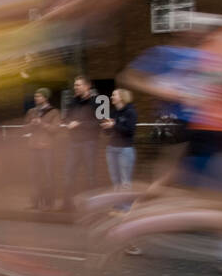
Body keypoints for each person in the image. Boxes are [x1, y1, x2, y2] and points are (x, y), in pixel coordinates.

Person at [61, 75, 99, 211]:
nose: (75, 87)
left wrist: (79, 124)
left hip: (89, 143)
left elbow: (99, 123)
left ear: (87, 86)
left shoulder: (97, 102)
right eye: (75, 85)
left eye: (78, 85)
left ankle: (92, 206)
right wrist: (68, 123)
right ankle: (67, 205)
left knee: (90, 174)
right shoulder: (73, 102)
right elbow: (65, 118)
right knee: (68, 173)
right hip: (74, 143)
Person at [24, 89, 60, 209]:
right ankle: (35, 202)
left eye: (39, 96)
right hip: (33, 147)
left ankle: (49, 203)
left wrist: (42, 124)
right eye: (35, 96)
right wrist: (32, 124)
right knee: (34, 176)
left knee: (48, 176)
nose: (36, 98)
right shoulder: (31, 111)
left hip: (46, 148)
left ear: (45, 98)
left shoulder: (54, 112)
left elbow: (55, 129)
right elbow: (25, 128)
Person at [101, 88, 137, 196]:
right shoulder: (113, 112)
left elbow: (130, 131)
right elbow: (108, 133)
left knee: (125, 181)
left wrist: (114, 125)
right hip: (111, 149)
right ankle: (117, 206)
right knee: (115, 180)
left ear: (121, 97)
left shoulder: (131, 112)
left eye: (114, 95)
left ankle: (125, 208)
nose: (111, 97)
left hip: (125, 150)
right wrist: (106, 127)